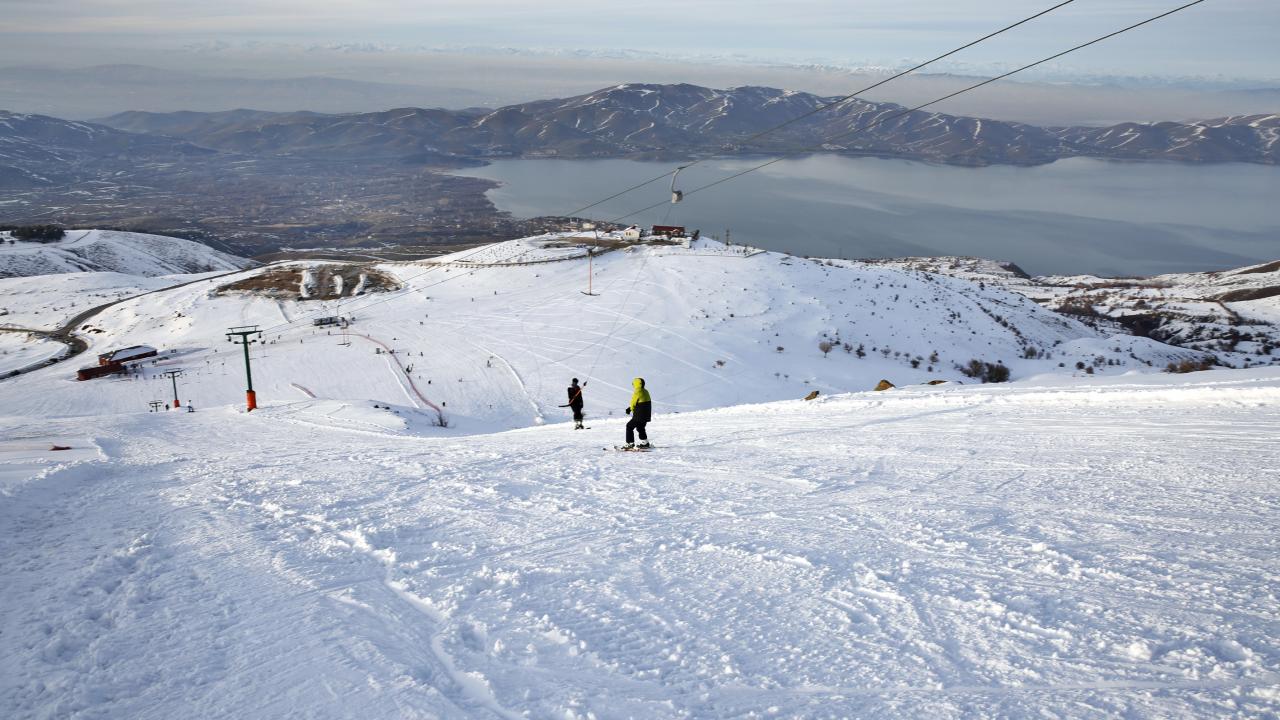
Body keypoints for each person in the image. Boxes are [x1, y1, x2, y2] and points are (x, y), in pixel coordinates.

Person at [624, 377, 652, 448]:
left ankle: (630, 443)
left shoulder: (637, 391)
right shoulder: (645, 391)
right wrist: (630, 408)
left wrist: (632, 410)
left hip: (639, 415)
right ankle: (645, 442)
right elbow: (641, 402)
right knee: (640, 427)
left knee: (629, 426)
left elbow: (633, 403)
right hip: (646, 415)